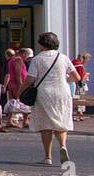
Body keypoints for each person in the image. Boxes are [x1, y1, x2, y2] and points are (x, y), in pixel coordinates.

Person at [25, 32, 79, 166]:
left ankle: (48, 157)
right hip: (63, 92)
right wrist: (65, 80)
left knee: (46, 125)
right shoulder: (63, 58)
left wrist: (20, 90)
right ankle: (62, 145)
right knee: (61, 121)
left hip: (44, 93)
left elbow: (30, 79)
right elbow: (76, 77)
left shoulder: (37, 59)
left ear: (42, 44)